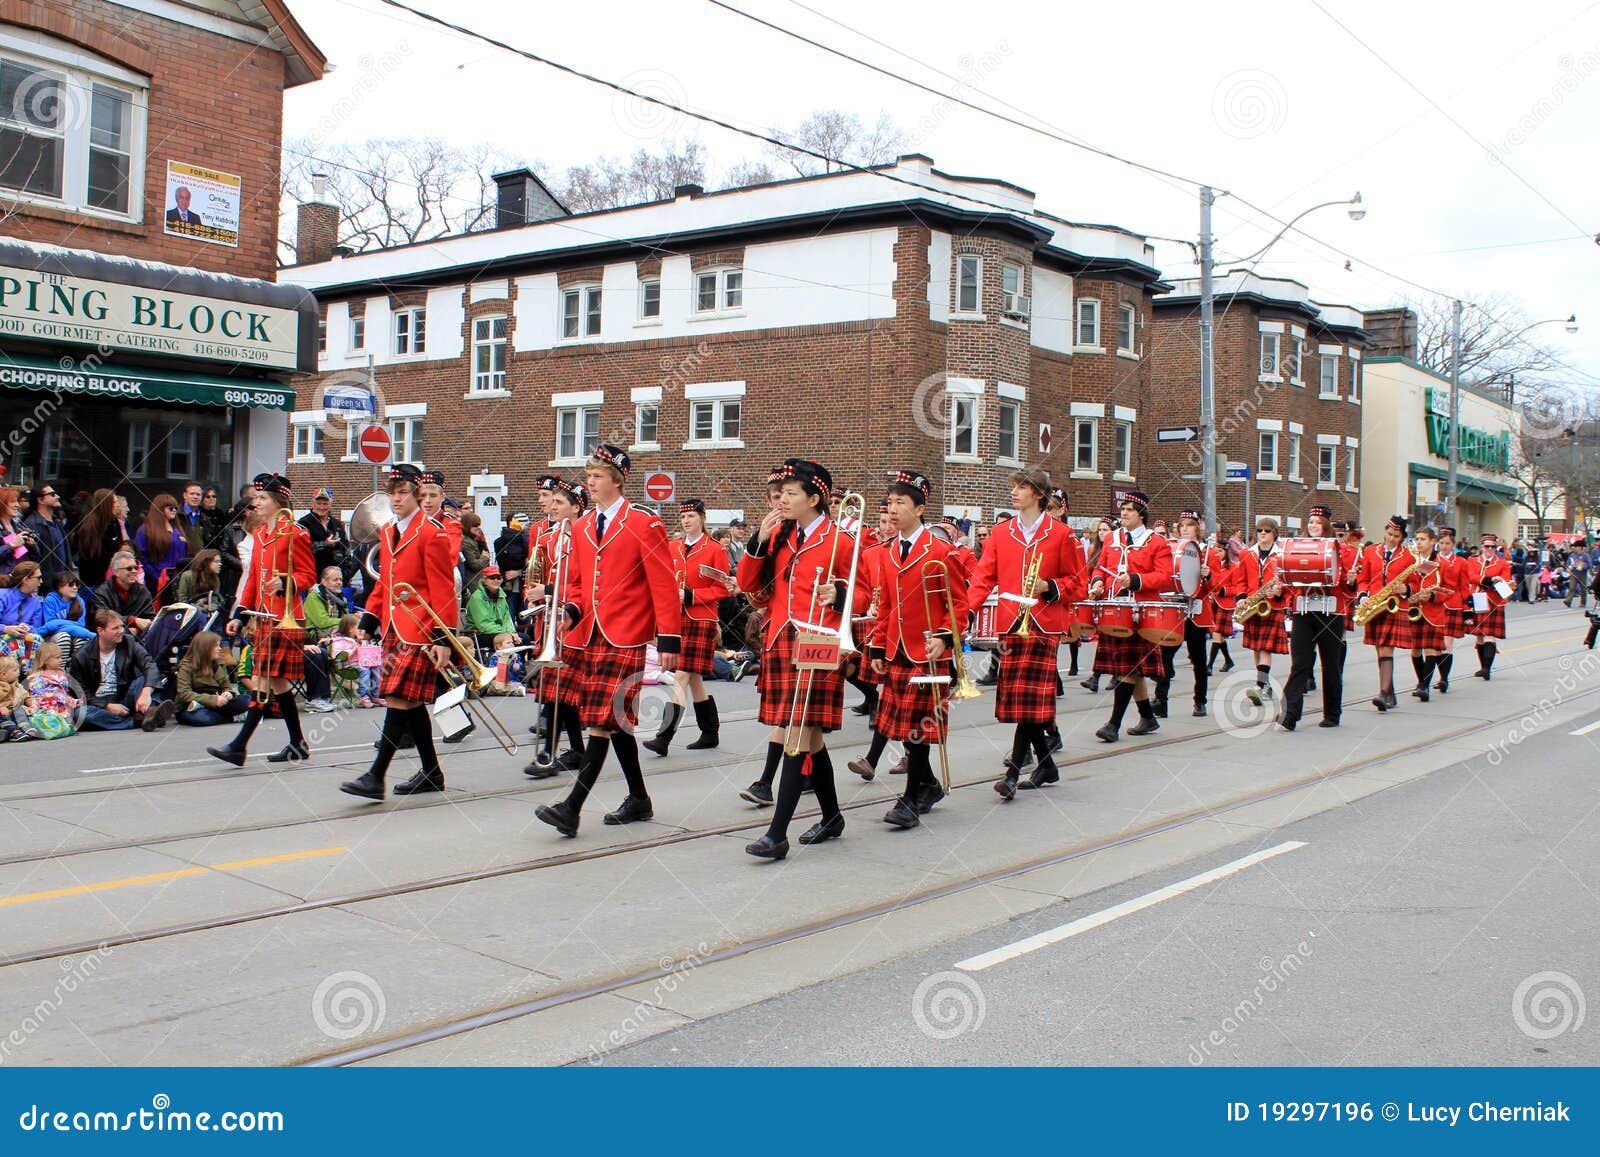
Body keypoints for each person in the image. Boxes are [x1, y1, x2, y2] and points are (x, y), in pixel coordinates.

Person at [533, 446, 681, 836]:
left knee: (601, 722)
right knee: (612, 720)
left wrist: (668, 641)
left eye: (597, 475)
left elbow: (663, 585)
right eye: (589, 475)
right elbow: (580, 583)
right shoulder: (581, 527)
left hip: (628, 634)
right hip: (592, 635)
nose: (590, 482)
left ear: (618, 480)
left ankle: (572, 807)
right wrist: (570, 612)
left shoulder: (644, 523)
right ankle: (639, 798)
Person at [732, 458, 866, 859]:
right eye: (781, 493)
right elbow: (747, 585)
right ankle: (831, 816)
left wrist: (841, 597)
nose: (782, 500)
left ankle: (777, 834)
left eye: (791, 493)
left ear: (814, 497)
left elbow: (865, 593)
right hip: (779, 638)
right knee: (810, 737)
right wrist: (758, 540)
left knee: (797, 732)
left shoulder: (841, 540)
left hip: (820, 640)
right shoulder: (778, 537)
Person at [339, 464, 460, 800]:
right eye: (392, 492)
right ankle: (432, 772)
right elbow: (385, 584)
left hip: (421, 627)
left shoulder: (432, 533)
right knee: (409, 701)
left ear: (417, 496)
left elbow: (442, 589)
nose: (396, 498)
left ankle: (375, 776)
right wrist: (368, 620)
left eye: (402, 492)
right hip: (395, 626)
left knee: (397, 697)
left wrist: (443, 636)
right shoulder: (389, 531)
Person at [963, 468, 1084, 795]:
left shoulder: (1061, 534)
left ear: (1039, 495)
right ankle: (1046, 765)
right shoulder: (1001, 533)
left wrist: (1051, 586)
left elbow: (1078, 582)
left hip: (1043, 623)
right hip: (1011, 623)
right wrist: (968, 610)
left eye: (1022, 487)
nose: (1015, 492)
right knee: (1020, 700)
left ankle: (1013, 774)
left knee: (1029, 702)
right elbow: (983, 578)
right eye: (1014, 486)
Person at [867, 469, 968, 827]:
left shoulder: (940, 551)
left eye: (901, 503)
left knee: (916, 730)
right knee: (902, 728)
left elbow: (959, 604)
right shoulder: (887, 551)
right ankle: (928, 785)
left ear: (920, 508)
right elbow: (887, 606)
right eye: (890, 502)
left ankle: (910, 799)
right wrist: (878, 647)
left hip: (927, 651)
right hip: (897, 649)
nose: (892, 509)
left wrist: (944, 636)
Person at [205, 473, 317, 767]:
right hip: (263, 618)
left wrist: (286, 581)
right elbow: (253, 577)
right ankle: (297, 743)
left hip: (285, 617)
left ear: (279, 502)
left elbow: (309, 576)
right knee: (276, 684)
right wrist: (240, 615)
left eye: (263, 498)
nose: (257, 502)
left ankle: (239, 746)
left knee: (265, 681)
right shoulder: (259, 535)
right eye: (256, 497)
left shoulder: (296, 533)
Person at [643, 499, 730, 756]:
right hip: (676, 618)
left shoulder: (715, 549)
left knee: (681, 675)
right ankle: (710, 732)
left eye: (691, 516)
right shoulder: (672, 547)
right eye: (683, 517)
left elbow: (722, 589)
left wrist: (690, 595)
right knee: (694, 680)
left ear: (702, 518)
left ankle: (664, 737)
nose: (686, 521)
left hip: (701, 618)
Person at [1086, 490, 1173, 743]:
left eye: (1129, 510)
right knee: (1131, 669)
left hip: (1142, 612)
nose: (1123, 513)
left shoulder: (1155, 542)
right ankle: (1148, 717)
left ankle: (1113, 724)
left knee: (1129, 668)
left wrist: (1136, 580)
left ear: (1141, 514)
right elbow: (1100, 567)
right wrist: (1098, 583)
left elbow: (1165, 576)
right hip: (1115, 608)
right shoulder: (1112, 538)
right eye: (1122, 509)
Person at [523, 477, 588, 776]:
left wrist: (549, 591)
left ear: (576, 508)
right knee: (558, 689)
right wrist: (536, 595)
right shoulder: (548, 538)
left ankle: (549, 754)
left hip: (573, 620)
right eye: (554, 501)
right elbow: (541, 577)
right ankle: (576, 750)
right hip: (550, 619)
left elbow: (584, 586)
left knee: (559, 688)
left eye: (560, 502)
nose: (553, 506)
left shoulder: (586, 539)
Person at [1277, 505, 1347, 731]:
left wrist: (1351, 579)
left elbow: (1346, 583)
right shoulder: (1297, 547)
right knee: (1300, 664)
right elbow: (1289, 576)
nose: (1313, 526)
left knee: (1331, 665)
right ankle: (1289, 714)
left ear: (1326, 524)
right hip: (1303, 610)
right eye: (1311, 522)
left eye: (1317, 522)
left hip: (1330, 612)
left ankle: (1332, 713)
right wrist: (1281, 589)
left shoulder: (1341, 550)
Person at [69, 609, 174, 732]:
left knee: (142, 680)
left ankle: (148, 711)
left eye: (121, 626)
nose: (121, 631)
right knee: (81, 714)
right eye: (115, 628)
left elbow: (149, 665)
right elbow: (80, 693)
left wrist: (146, 692)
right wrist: (107, 706)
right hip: (98, 703)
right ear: (100, 631)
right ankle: (139, 719)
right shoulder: (81, 656)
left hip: (125, 696)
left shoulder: (129, 642)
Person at [1163, 512, 1224, 719]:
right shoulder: (1171, 549)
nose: (1185, 529)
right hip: (1176, 610)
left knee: (1198, 660)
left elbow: (1215, 586)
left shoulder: (1209, 553)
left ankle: (1200, 701)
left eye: (1189, 525)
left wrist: (1208, 577)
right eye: (1182, 526)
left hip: (1197, 611)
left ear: (1197, 528)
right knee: (1164, 656)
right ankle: (1160, 700)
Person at [1355, 515, 1419, 712]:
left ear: (1402, 537)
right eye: (1389, 534)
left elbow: (1416, 583)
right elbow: (1363, 579)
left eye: (1396, 536)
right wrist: (1363, 596)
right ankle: (1390, 693)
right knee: (1379, 649)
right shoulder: (1371, 551)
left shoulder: (1408, 556)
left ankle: (1383, 694)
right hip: (1375, 605)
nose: (1391, 538)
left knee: (1385, 649)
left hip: (1394, 606)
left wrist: (1406, 589)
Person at [1227, 517, 1289, 707]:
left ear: (1274, 534)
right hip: (1253, 606)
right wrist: (1241, 598)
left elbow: (1288, 581)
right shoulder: (1247, 554)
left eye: (1267, 530)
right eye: (1260, 530)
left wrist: (1279, 592)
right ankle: (1265, 683)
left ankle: (1260, 685)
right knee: (1256, 647)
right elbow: (1241, 581)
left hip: (1272, 606)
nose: (1263, 533)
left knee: (1264, 648)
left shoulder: (1282, 555)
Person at [299, 564, 349, 713]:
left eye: (340, 579)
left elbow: (344, 619)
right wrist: (349, 621)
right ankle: (318, 699)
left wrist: (352, 622)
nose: (339, 582)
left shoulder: (339, 597)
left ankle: (370, 692)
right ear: (324, 581)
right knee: (320, 654)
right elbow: (322, 622)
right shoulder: (315, 596)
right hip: (313, 637)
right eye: (335, 580)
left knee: (368, 646)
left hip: (334, 635)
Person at [175, 631, 250, 726]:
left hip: (215, 703)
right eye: (216, 646)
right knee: (203, 718)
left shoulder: (219, 663)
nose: (219, 649)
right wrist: (213, 700)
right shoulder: (186, 666)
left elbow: (225, 687)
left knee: (247, 700)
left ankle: (217, 714)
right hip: (190, 705)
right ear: (205, 648)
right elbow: (184, 693)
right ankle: (233, 717)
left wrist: (228, 693)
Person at [1467, 533, 1512, 680]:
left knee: (1490, 635)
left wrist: (1498, 580)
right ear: (1482, 546)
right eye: (1487, 546)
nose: (1490, 549)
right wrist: (1489, 579)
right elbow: (1471, 576)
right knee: (1479, 636)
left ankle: (1487, 669)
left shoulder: (1502, 563)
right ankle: (1482, 667)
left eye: (1493, 547)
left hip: (1493, 600)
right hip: (1477, 598)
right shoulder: (1473, 561)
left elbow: (1506, 580)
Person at [1080, 516, 1116, 693]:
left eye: (1106, 530)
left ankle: (1099, 676)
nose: (1102, 533)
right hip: (1099, 596)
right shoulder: (1094, 549)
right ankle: (1099, 676)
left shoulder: (1116, 548)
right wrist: (1094, 583)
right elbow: (1093, 570)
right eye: (1100, 530)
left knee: (1109, 638)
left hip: (1114, 597)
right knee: (1105, 638)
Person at [133, 493, 189, 598]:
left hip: (177, 580)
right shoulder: (145, 530)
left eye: (176, 508)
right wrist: (157, 576)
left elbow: (184, 555)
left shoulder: (177, 529)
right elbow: (141, 556)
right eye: (170, 508)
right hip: (156, 583)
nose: (174, 510)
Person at [90, 551, 156, 636]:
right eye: (129, 568)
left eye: (136, 568)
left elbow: (149, 620)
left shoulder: (144, 591)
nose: (134, 571)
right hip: (110, 639)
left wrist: (136, 631)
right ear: (116, 572)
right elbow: (103, 620)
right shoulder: (101, 593)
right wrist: (132, 620)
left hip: (138, 641)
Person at [24, 641, 78, 739]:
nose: (60, 660)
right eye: (57, 658)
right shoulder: (37, 679)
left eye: (60, 657)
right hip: (47, 711)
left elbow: (65, 694)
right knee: (58, 723)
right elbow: (38, 697)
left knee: (71, 722)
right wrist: (59, 699)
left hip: (64, 710)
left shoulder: (62, 676)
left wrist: (74, 701)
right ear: (46, 660)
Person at [298, 487, 352, 583]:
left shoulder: (337, 524)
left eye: (325, 504)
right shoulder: (304, 522)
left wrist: (346, 573)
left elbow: (346, 548)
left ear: (330, 504)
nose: (322, 507)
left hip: (337, 579)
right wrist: (325, 543)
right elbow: (302, 550)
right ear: (313, 503)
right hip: (314, 578)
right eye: (319, 503)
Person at [21, 483, 72, 584]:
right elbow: (31, 558)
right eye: (52, 494)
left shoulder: (56, 521)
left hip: (61, 582)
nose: (58, 496)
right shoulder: (32, 524)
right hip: (46, 585)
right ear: (40, 500)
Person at [465, 564, 516, 654]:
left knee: (524, 639)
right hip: (478, 634)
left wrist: (511, 632)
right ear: (484, 580)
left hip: (498, 632)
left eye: (498, 577)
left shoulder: (502, 596)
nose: (496, 580)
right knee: (505, 642)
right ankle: (501, 665)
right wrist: (506, 634)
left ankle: (515, 666)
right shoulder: (477, 597)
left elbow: (506, 619)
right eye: (492, 578)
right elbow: (483, 624)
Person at [174, 549, 227, 615]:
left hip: (205, 613)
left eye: (220, 561)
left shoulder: (216, 579)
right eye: (216, 561)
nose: (220, 564)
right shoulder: (187, 576)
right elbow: (183, 602)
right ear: (206, 562)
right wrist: (203, 606)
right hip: (188, 614)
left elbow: (214, 603)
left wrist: (202, 606)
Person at [0, 485, 34, 580]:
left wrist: (32, 547)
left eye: (17, 502)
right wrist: (11, 545)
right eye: (13, 502)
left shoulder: (19, 527)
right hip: (4, 584)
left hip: (23, 581)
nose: (17, 505)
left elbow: (34, 558)